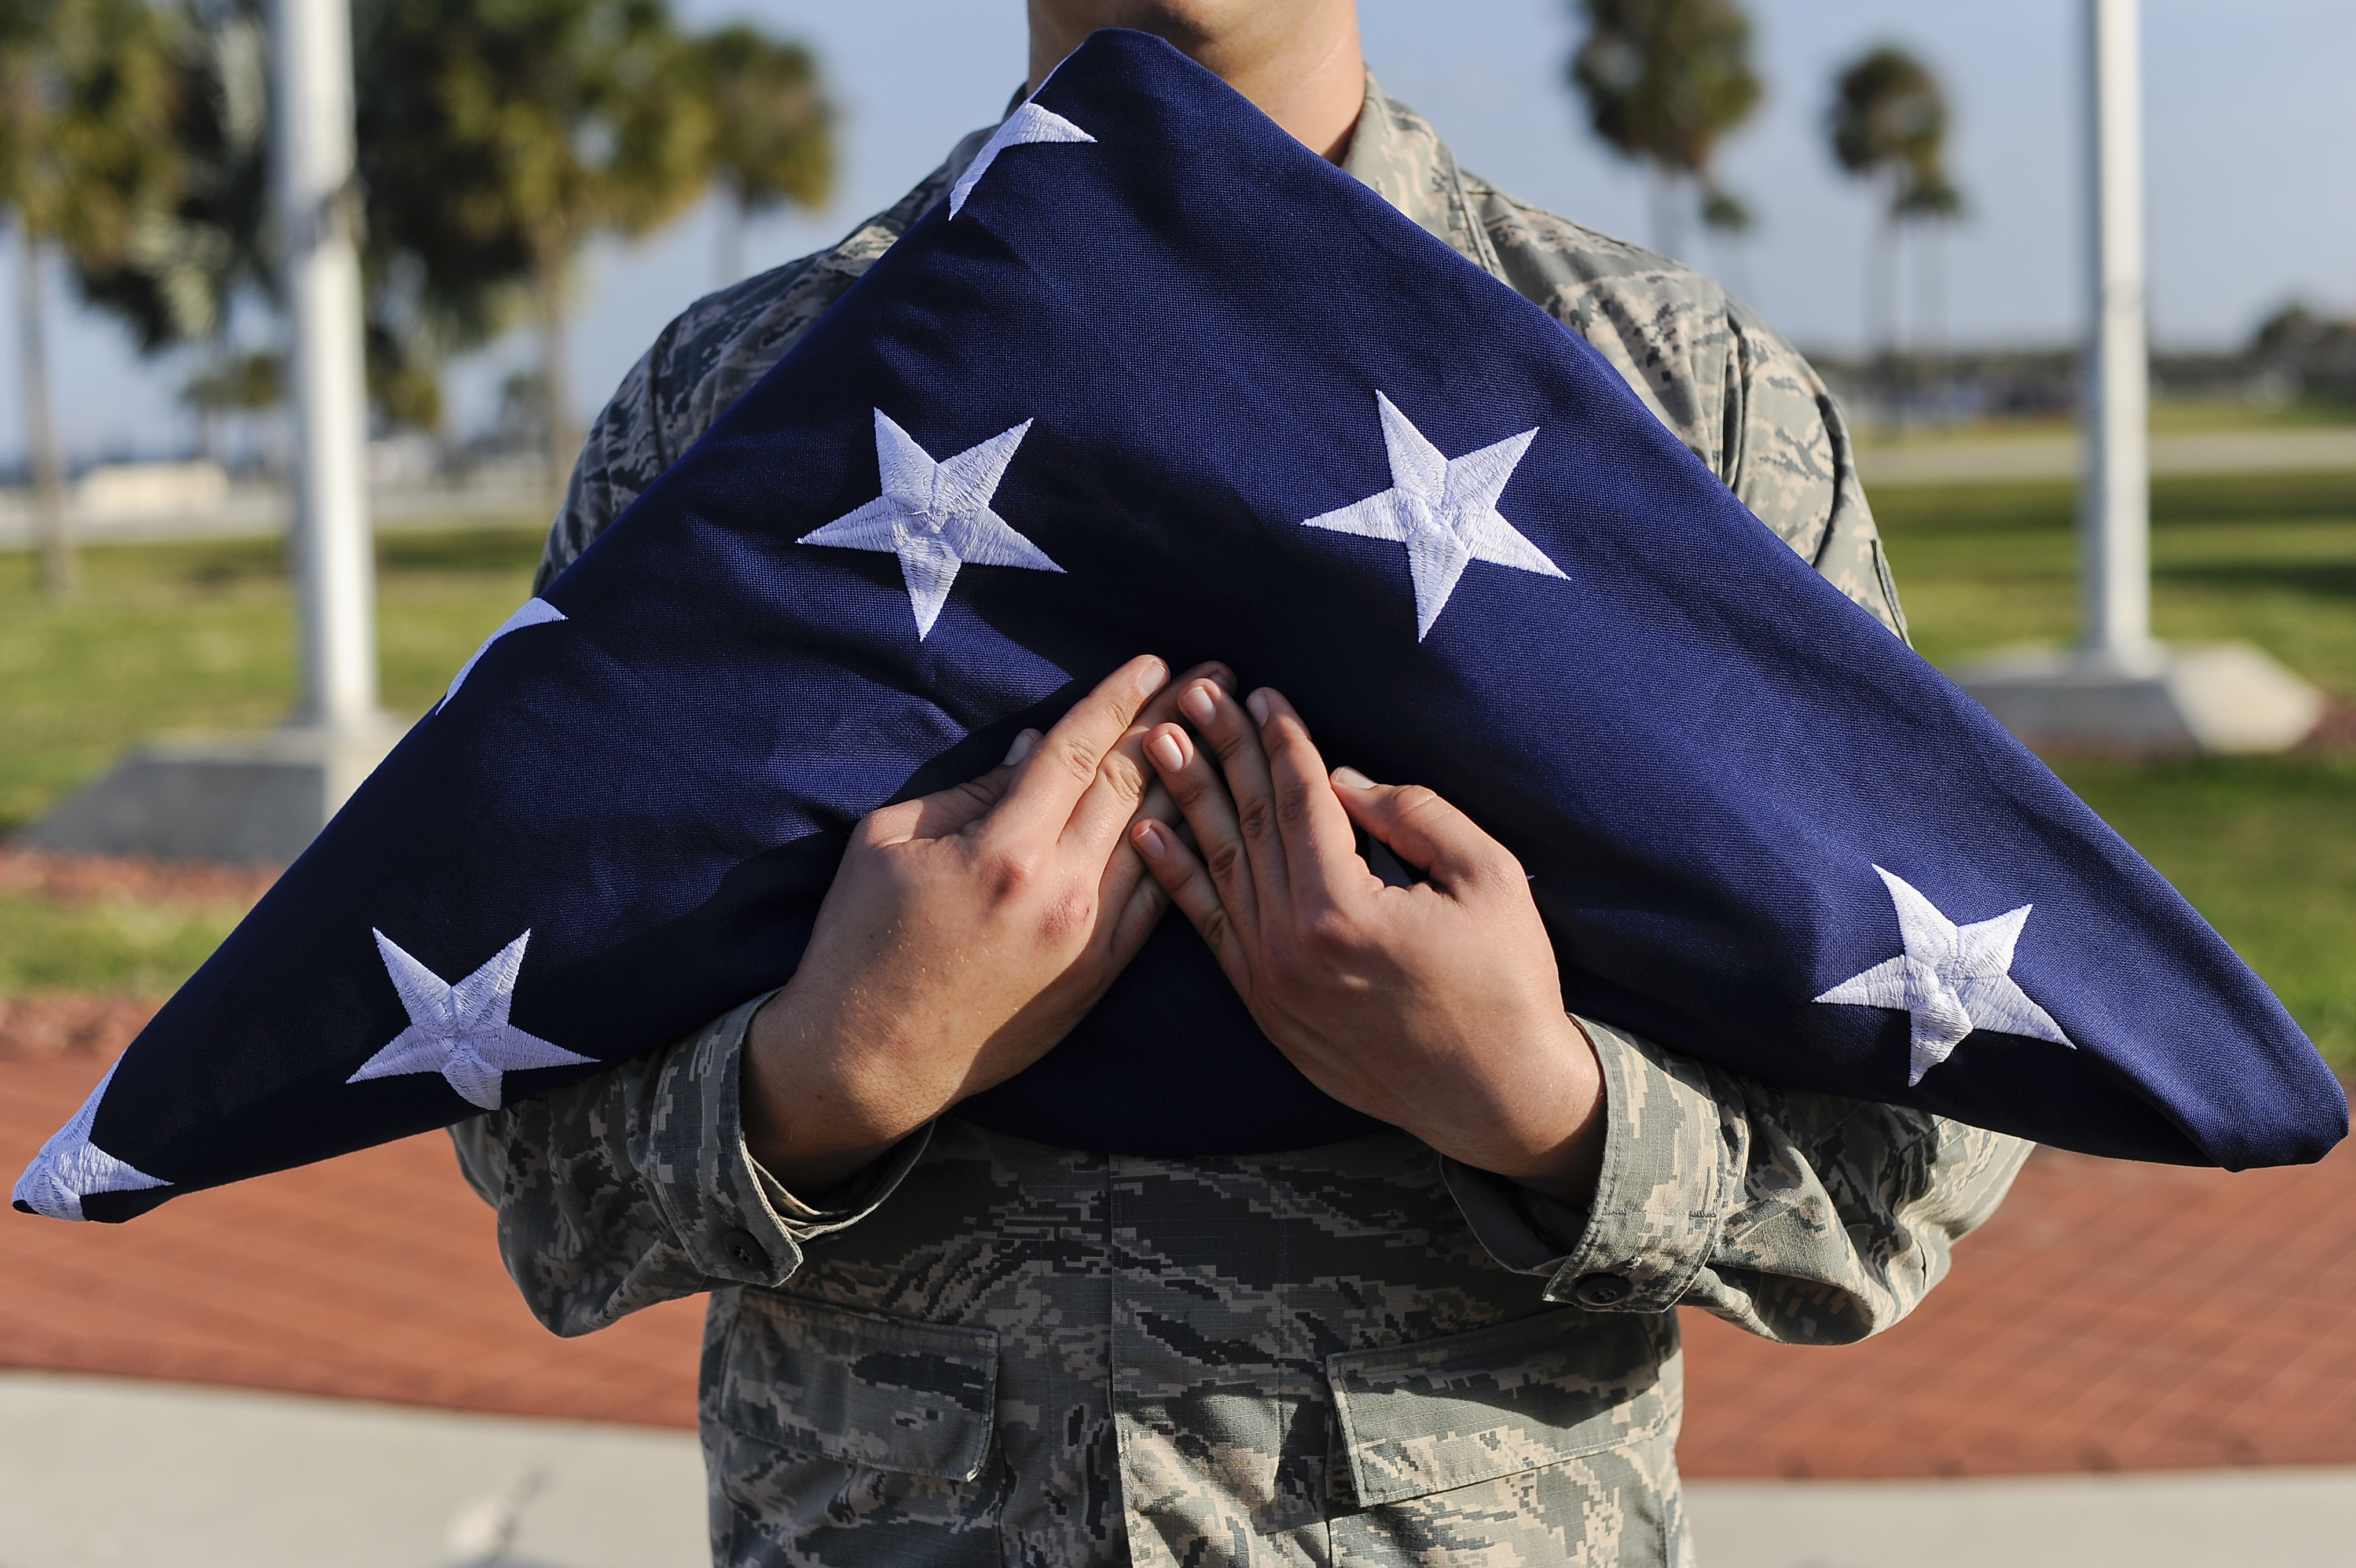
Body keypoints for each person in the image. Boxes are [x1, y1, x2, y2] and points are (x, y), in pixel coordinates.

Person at [454, 3, 2030, 1563]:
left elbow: (1923, 1135)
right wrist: (833, 1071)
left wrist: (1548, 1105)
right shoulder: (739, 403)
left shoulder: (1671, 398)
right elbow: (532, 1150)